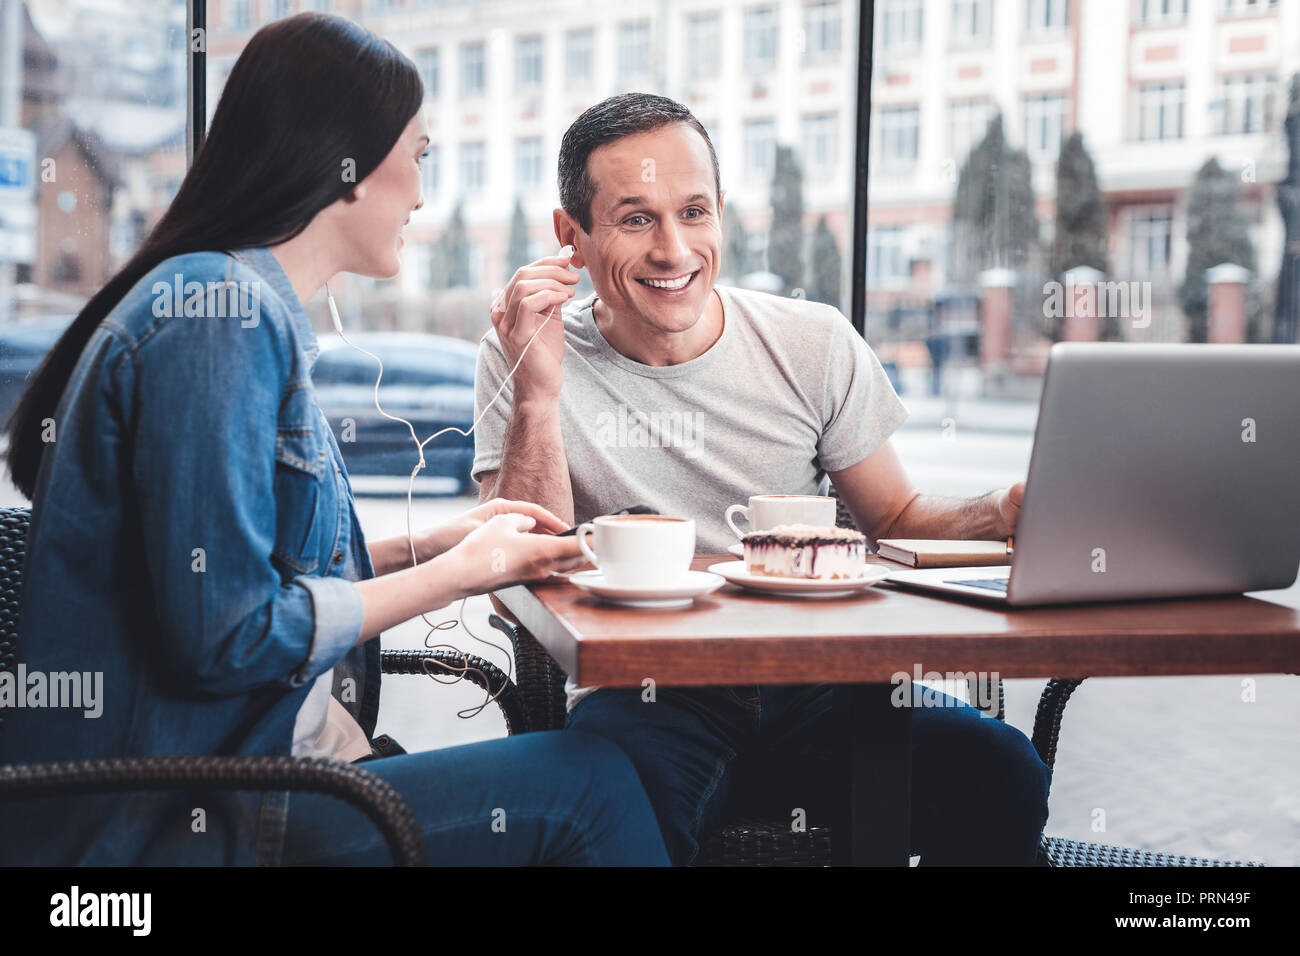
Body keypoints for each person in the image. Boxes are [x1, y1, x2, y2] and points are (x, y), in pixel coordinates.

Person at [0, 14, 668, 867]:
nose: (424, 195)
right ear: (345, 164)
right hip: (187, 822)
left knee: (596, 770)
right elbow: (228, 636)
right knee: (594, 782)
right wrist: (463, 574)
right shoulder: (219, 318)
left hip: (274, 773)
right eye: (419, 157)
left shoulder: (234, 305)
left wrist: (437, 541)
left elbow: (241, 573)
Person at [474, 92, 1050, 866]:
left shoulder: (810, 343)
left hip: (821, 684)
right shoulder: (522, 349)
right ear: (570, 236)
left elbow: (896, 516)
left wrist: (1002, 509)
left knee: (1000, 771)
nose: (674, 250)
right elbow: (518, 581)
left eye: (695, 211)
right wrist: (539, 392)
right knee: (611, 813)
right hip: (650, 698)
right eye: (636, 218)